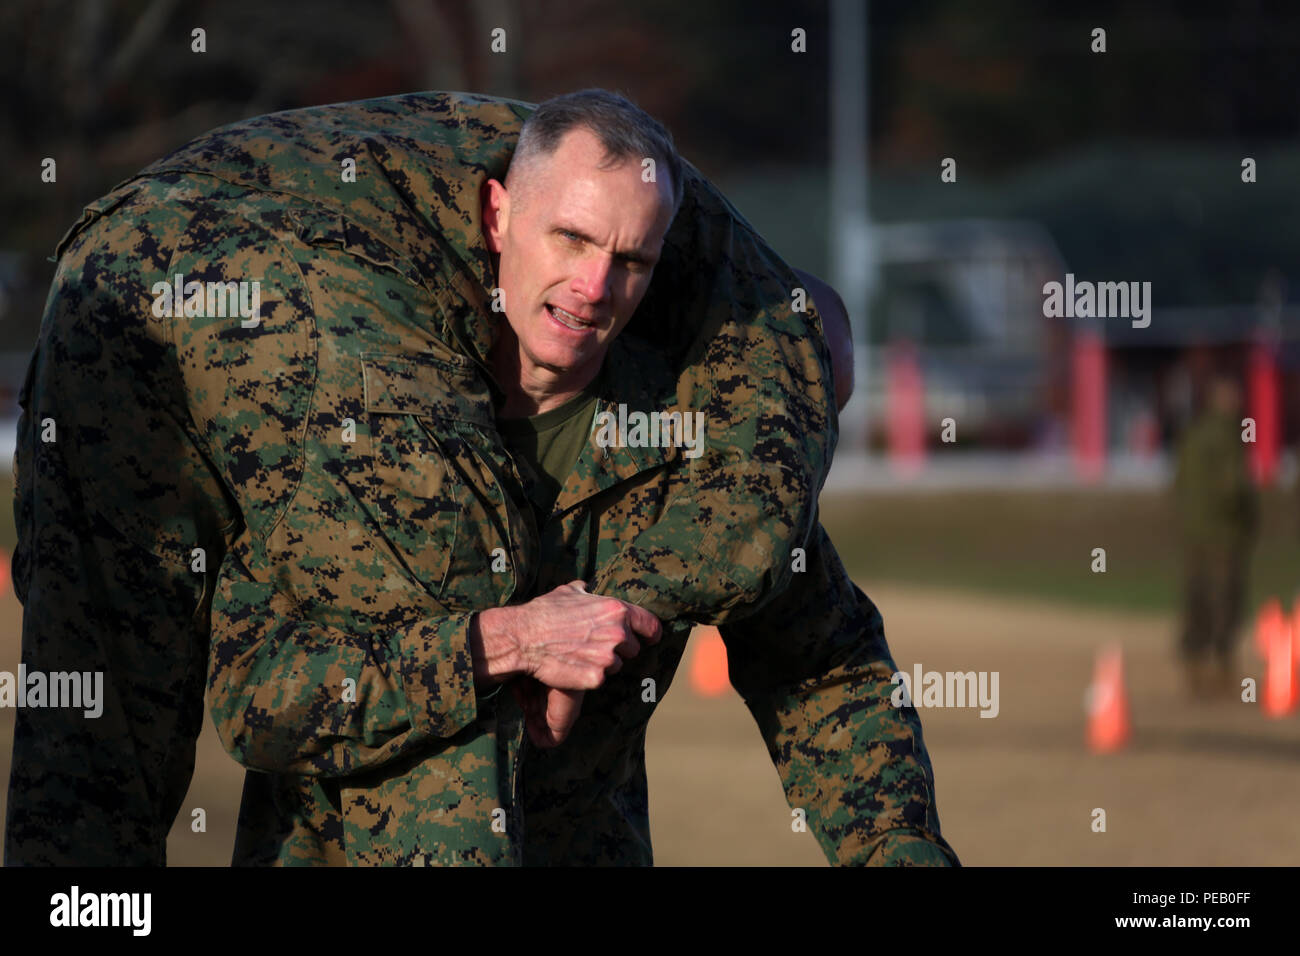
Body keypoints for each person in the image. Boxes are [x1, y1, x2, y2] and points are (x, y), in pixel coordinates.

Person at [6, 89, 957, 866]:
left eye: (629, 258)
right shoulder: (331, 437)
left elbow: (823, 660)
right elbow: (262, 699)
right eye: (571, 241)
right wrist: (495, 645)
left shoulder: (687, 449)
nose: (594, 286)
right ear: (497, 217)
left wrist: (899, 850)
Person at [1173, 374, 1259, 700]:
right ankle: (1222, 667)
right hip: (1223, 532)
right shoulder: (1225, 436)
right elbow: (1232, 488)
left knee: (1196, 594)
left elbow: (1179, 481)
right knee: (1225, 597)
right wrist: (1250, 514)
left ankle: (1194, 661)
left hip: (1193, 530)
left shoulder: (1192, 433)